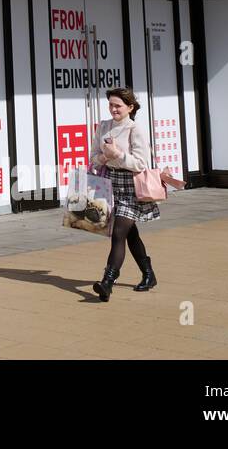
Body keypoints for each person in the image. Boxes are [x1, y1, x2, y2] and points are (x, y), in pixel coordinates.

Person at [88, 87, 159, 301]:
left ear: (130, 107)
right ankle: (148, 274)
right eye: (111, 104)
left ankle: (107, 282)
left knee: (119, 233)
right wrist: (103, 158)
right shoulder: (104, 126)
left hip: (131, 186)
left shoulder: (134, 129)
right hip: (110, 184)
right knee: (130, 233)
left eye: (118, 105)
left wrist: (117, 154)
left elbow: (140, 163)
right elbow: (93, 156)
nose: (113, 109)